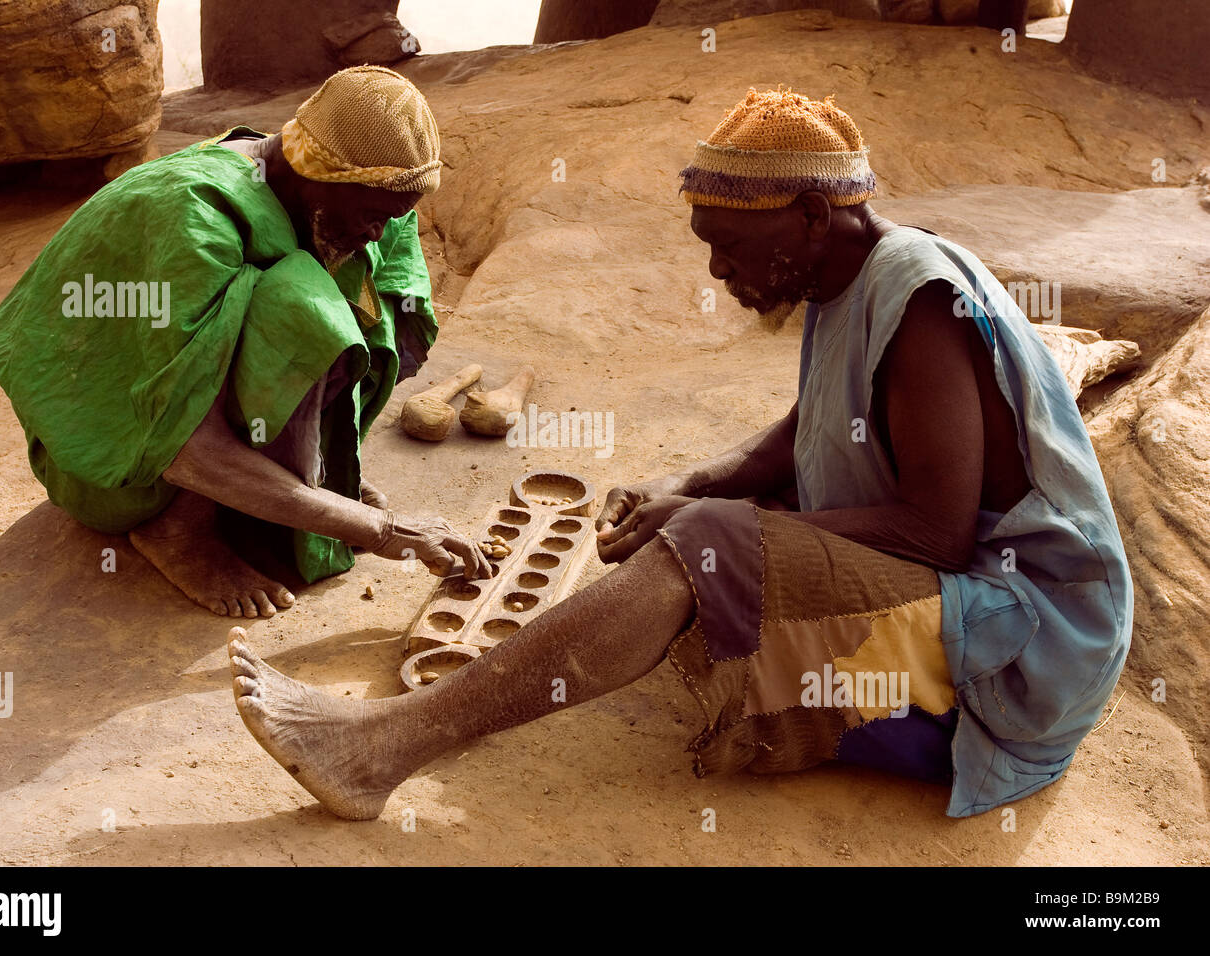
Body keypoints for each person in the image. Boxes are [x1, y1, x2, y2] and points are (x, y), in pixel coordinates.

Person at [224, 86, 1132, 820]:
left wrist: (715, 520)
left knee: (713, 547)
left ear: (814, 214)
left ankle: (381, 748)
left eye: (732, 247)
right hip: (963, 606)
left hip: (1019, 655)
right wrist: (692, 480)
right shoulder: (845, 271)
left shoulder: (922, 302)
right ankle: (735, 634)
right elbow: (816, 425)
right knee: (713, 531)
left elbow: (934, 531)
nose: (716, 274)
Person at [0, 66, 491, 618]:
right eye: (370, 213)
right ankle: (178, 528)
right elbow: (187, 447)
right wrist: (383, 531)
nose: (375, 229)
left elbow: (389, 264)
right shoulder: (194, 213)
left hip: (193, 435)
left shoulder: (312, 181)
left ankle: (301, 476)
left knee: (366, 280)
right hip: (119, 459)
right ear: (320, 173)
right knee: (300, 310)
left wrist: (337, 473)